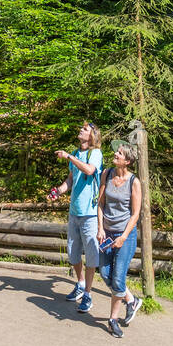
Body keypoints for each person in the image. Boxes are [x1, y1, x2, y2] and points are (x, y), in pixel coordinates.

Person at [48, 121, 102, 314]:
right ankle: (80, 284)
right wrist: (59, 191)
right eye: (81, 128)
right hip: (74, 211)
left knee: (91, 255)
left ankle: (88, 294)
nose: (80, 130)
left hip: (90, 213)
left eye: (85, 129)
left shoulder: (95, 153)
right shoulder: (76, 152)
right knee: (72, 252)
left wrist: (69, 156)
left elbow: (89, 170)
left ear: (92, 135)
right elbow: (71, 179)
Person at [97, 142, 143, 337]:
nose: (115, 154)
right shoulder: (106, 174)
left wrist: (123, 236)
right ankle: (131, 300)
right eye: (117, 151)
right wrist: (100, 228)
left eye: (120, 153)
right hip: (106, 234)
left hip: (126, 235)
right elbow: (100, 203)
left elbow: (135, 213)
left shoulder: (134, 182)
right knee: (105, 274)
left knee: (117, 278)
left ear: (128, 161)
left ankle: (112, 320)